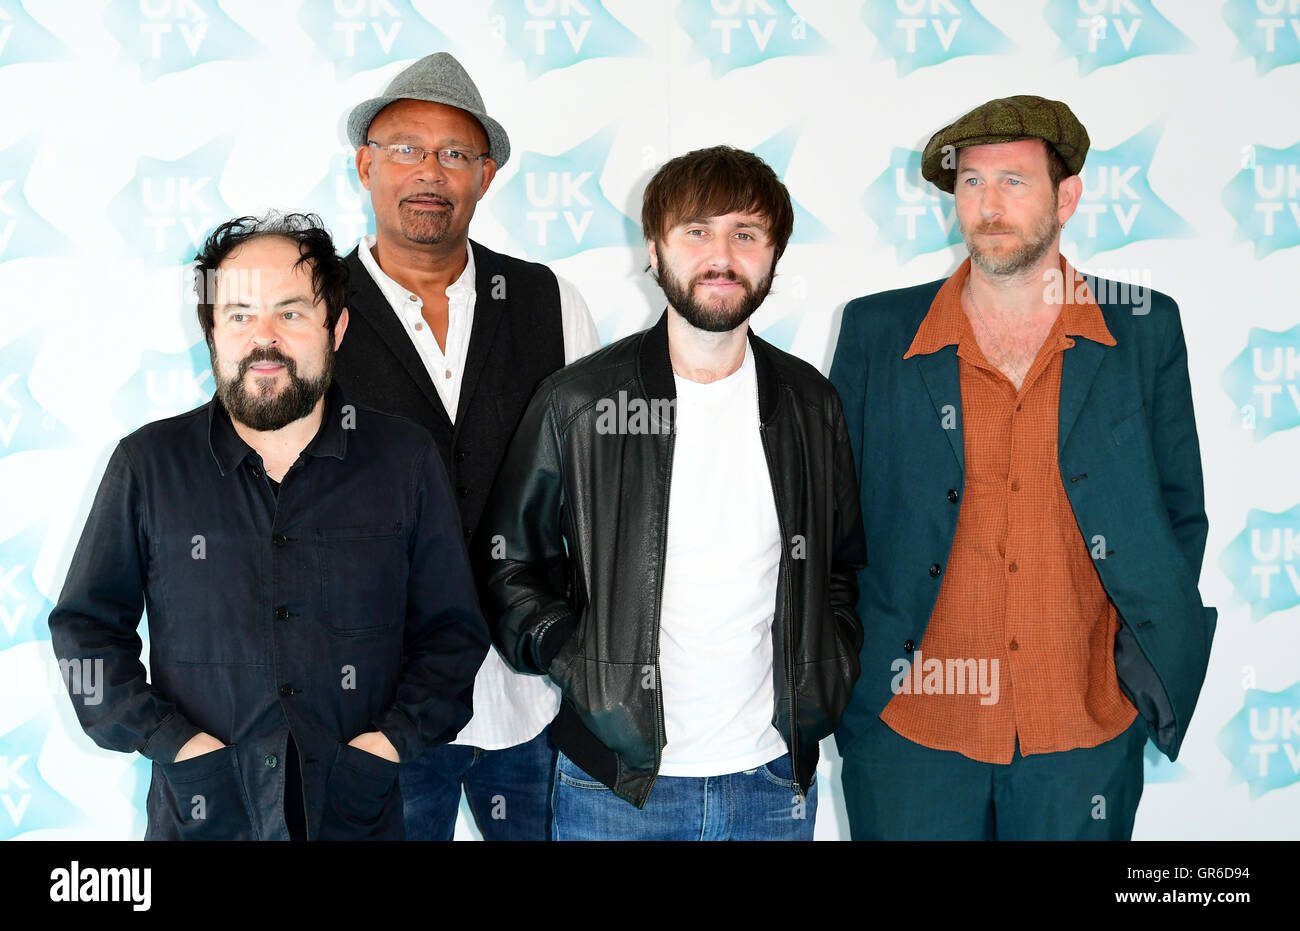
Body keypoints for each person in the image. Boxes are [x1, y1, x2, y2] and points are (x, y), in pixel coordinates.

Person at [829, 95, 1216, 840]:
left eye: (1013, 181)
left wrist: (1127, 681)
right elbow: (833, 522)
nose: (989, 204)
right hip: (910, 732)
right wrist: (851, 687)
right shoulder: (879, 332)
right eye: (971, 183)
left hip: (1083, 732)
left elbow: (1177, 514)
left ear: (1067, 196)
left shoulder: (1142, 328)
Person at [48, 213, 488, 841]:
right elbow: (86, 629)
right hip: (204, 817)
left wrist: (390, 743)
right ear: (211, 331)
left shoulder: (405, 460)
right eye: (239, 315)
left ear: (334, 328)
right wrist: (171, 741)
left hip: (358, 815)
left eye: (291, 313)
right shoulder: (148, 463)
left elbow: (451, 633)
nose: (265, 339)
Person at [474, 145, 867, 841]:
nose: (721, 256)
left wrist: (823, 676)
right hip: (616, 787)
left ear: (773, 256)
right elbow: (508, 564)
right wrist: (580, 660)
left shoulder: (810, 403)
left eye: (745, 234)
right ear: (654, 253)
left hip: (772, 779)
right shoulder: (580, 401)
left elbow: (840, 566)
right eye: (696, 232)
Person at [332, 51, 600, 842]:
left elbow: (598, 491)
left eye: (455, 154)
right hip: (377, 712)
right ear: (365, 165)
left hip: (535, 699)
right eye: (406, 148)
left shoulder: (550, 302)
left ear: (485, 176)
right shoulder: (312, 310)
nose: (430, 173)